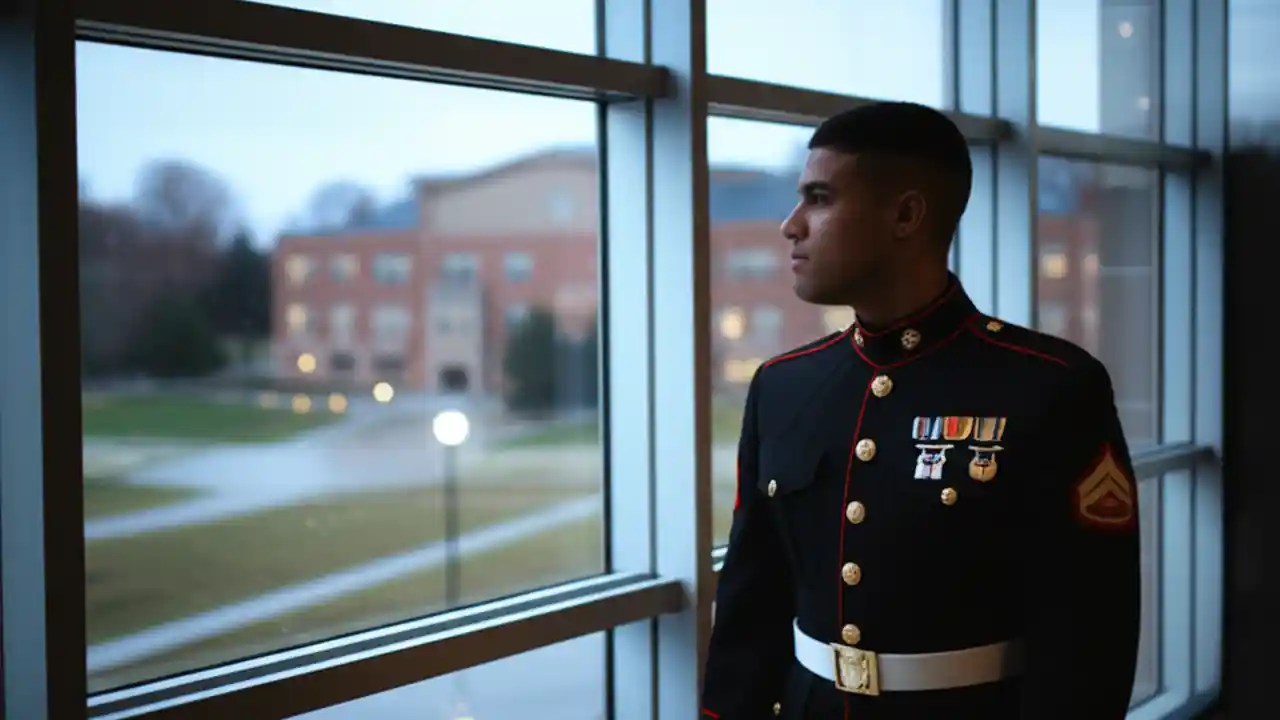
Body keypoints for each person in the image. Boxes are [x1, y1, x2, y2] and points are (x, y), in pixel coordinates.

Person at [699, 102, 1140, 720]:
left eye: (819, 199)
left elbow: (1089, 633)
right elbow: (752, 606)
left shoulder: (1050, 387)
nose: (790, 225)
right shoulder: (783, 386)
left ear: (905, 215)